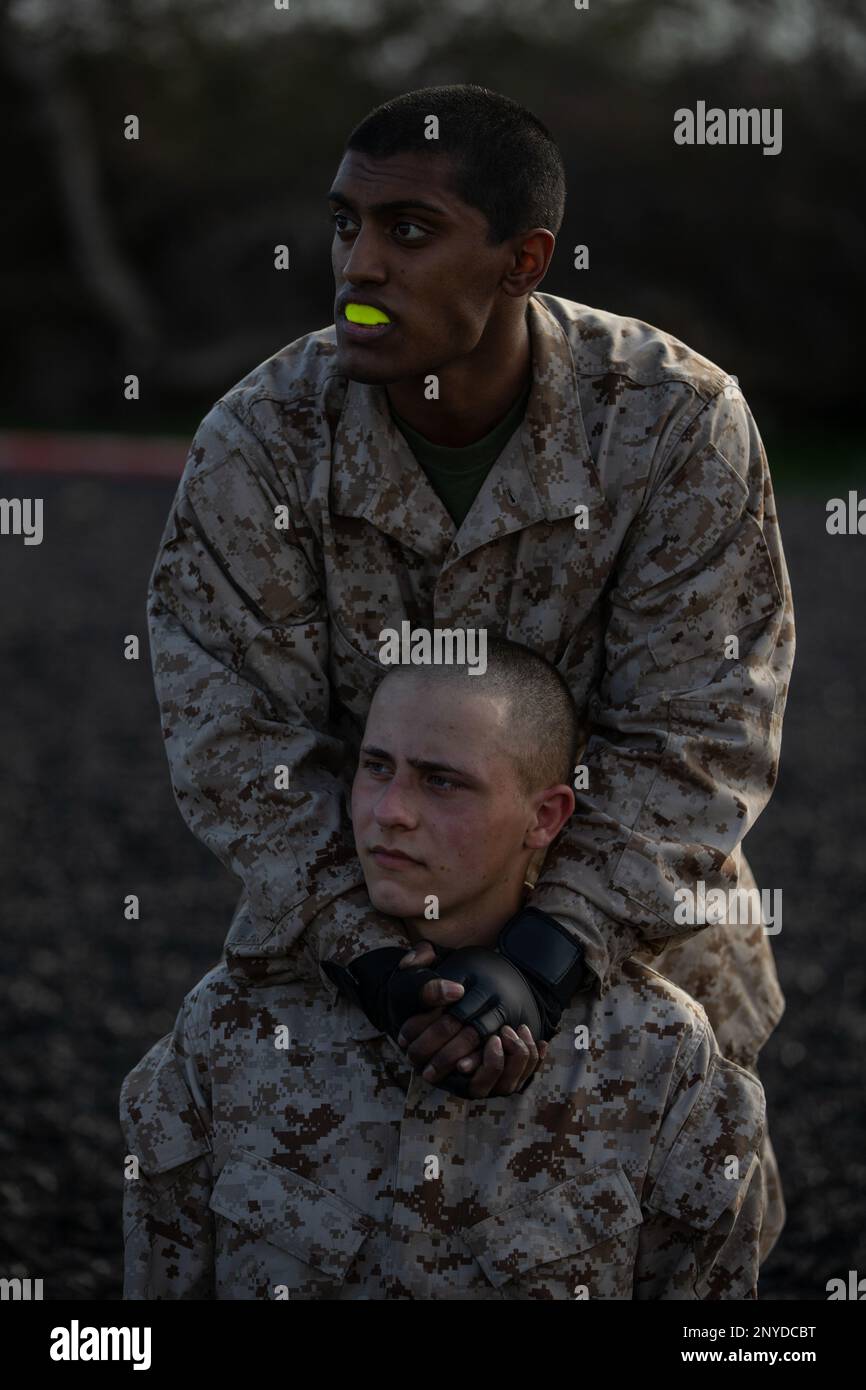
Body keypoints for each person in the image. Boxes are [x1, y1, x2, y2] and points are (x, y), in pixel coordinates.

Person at [145, 84, 793, 1255]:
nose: (359, 264)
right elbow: (229, 733)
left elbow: (703, 728)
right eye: (344, 223)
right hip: (356, 925)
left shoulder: (668, 424)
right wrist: (377, 960)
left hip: (637, 945)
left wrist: (550, 956)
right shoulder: (262, 441)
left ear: (520, 260)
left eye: (409, 230)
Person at [121, 641, 769, 1300]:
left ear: (545, 817)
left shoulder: (659, 1059)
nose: (389, 812)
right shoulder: (231, 1028)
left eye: (441, 780)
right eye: (377, 767)